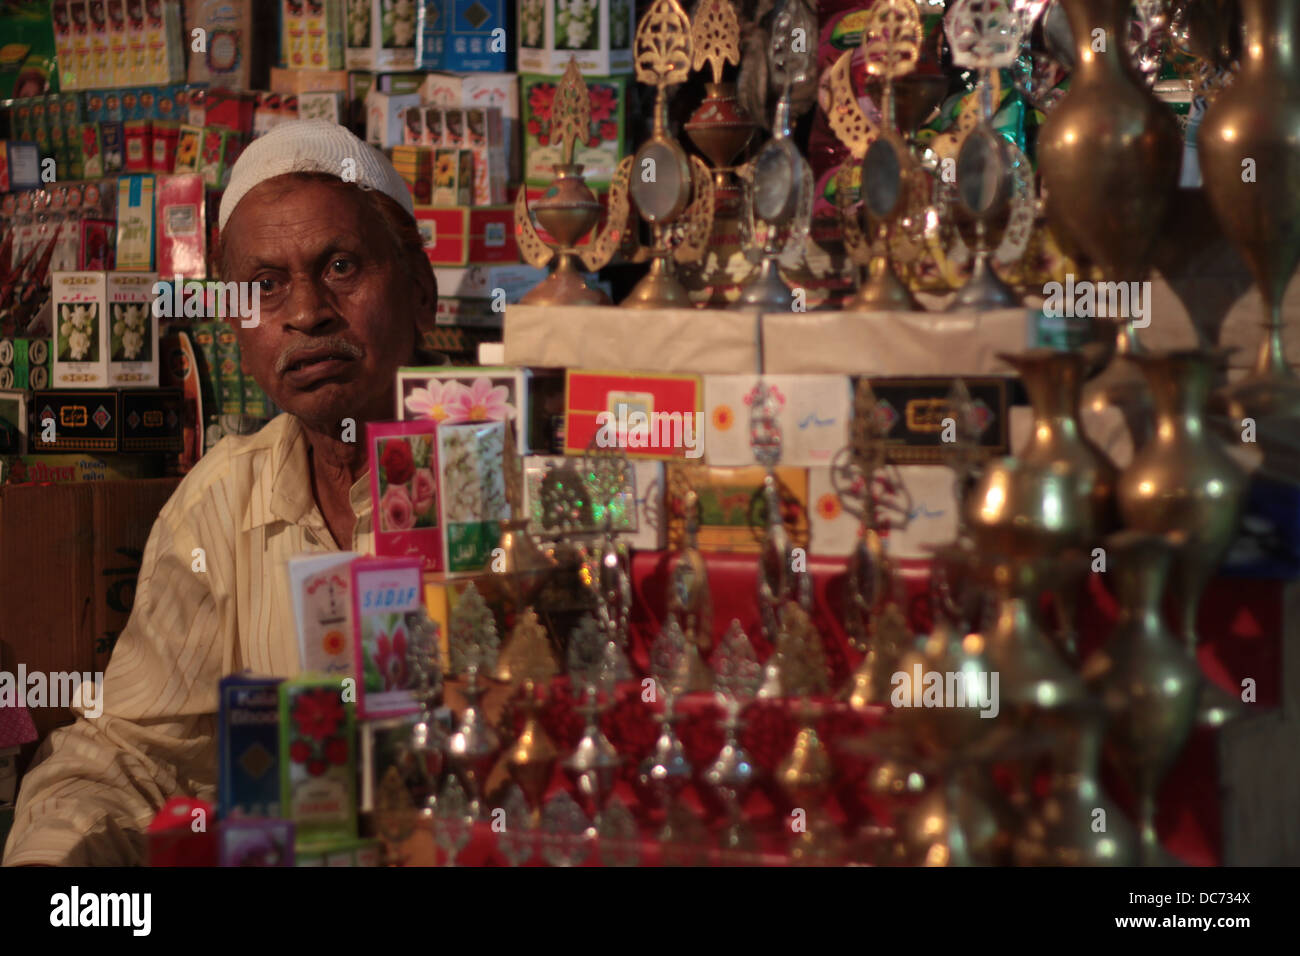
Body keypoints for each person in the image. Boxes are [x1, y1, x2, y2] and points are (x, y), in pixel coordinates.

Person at [3, 121, 439, 865]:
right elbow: (129, 753)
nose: (305, 313)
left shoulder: (494, 486)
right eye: (265, 287)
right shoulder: (221, 501)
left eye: (340, 266)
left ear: (421, 295)